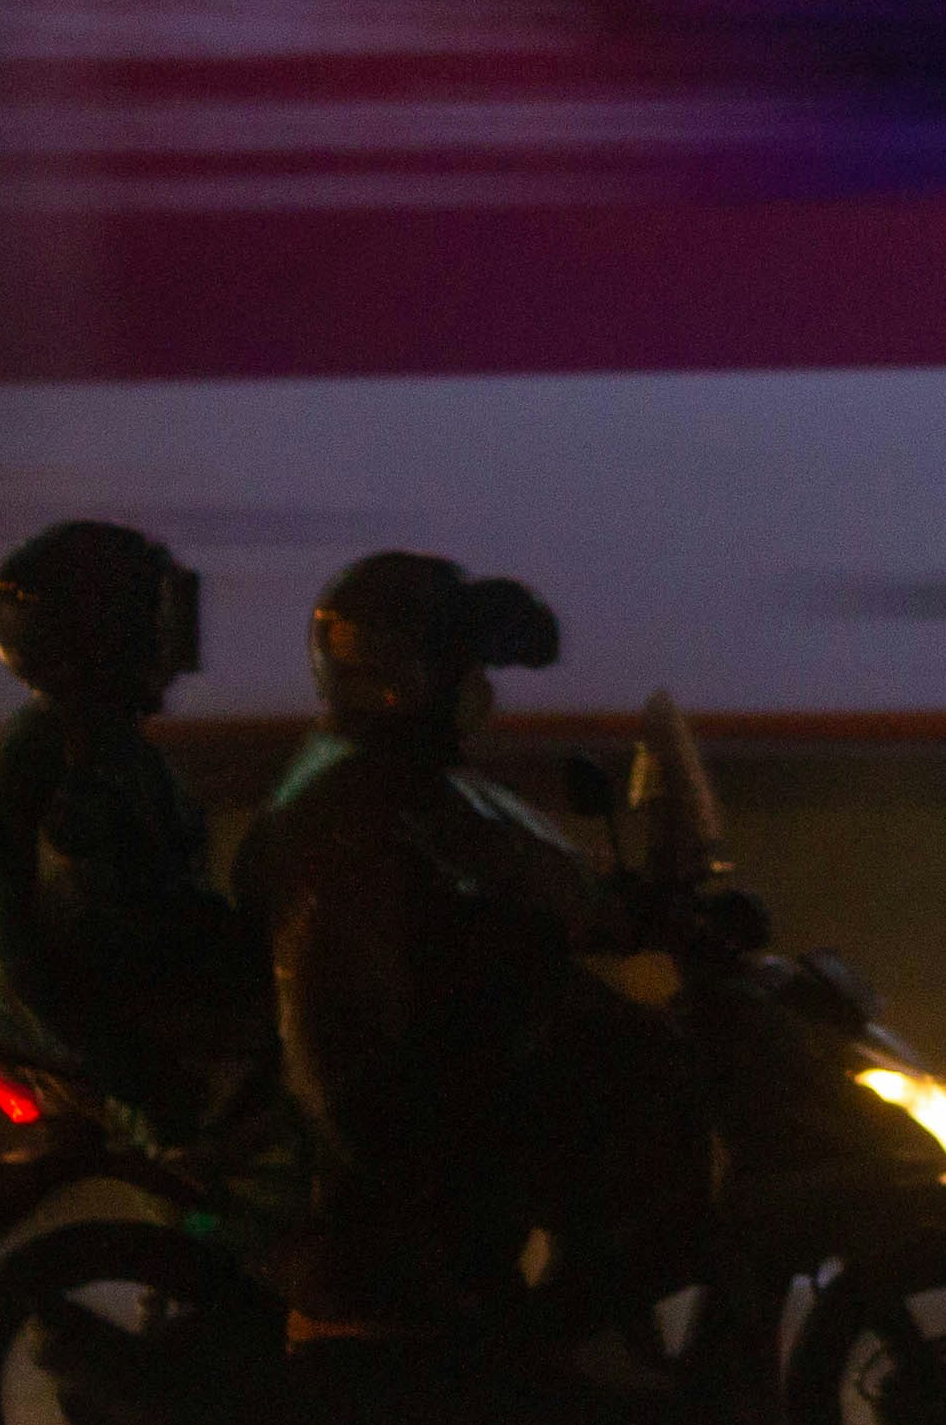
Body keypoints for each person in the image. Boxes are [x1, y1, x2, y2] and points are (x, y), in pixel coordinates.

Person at [242, 550, 707, 1382]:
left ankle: (566, 1333)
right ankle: (562, 1347)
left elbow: (507, 870)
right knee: (635, 1094)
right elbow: (530, 869)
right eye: (465, 670)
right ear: (410, 675)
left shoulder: (348, 768)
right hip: (395, 1088)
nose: (481, 692)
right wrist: (630, 912)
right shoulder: (395, 789)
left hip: (388, 1060)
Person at [0, 520, 265, 1151]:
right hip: (102, 1026)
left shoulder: (56, 737)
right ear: (106, 638)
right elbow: (127, 912)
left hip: (53, 1018)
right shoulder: (82, 757)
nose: (170, 639)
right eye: (152, 618)